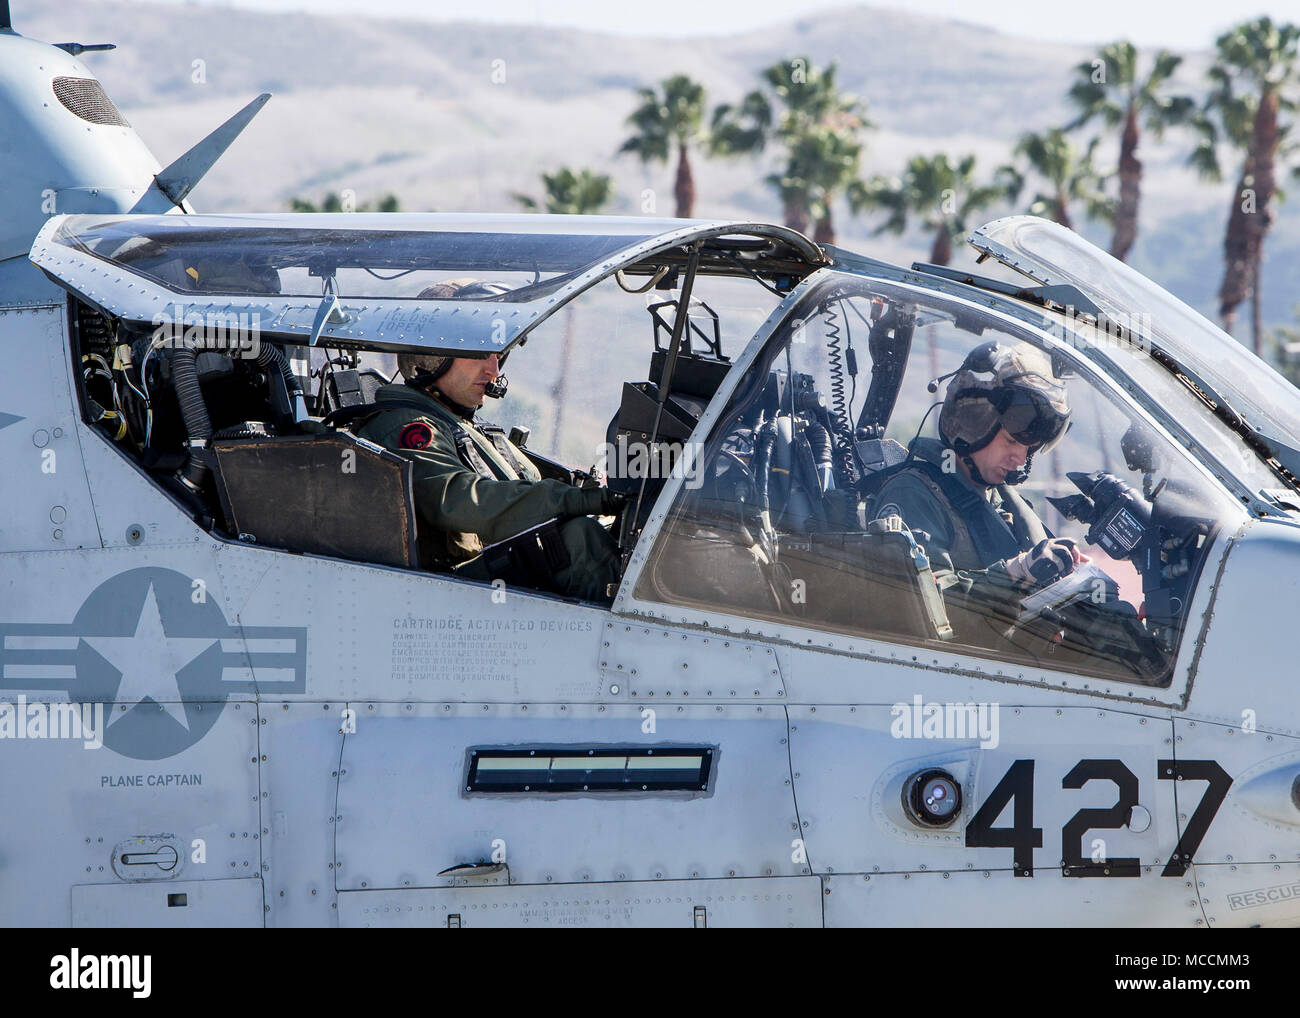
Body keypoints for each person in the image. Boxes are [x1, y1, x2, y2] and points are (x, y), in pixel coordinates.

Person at [354, 280, 623, 601]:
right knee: (578, 541)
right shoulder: (408, 426)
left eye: (498, 354)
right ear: (432, 354)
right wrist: (575, 500)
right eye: (480, 352)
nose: (494, 369)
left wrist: (597, 496)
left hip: (482, 581)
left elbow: (530, 484)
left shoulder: (464, 425)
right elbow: (459, 500)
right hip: (447, 594)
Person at [872, 342, 1083, 611]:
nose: (1019, 459)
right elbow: (928, 612)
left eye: (1028, 449)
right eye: (1010, 442)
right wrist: (1015, 573)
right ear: (973, 423)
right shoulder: (912, 495)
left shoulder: (1000, 501)